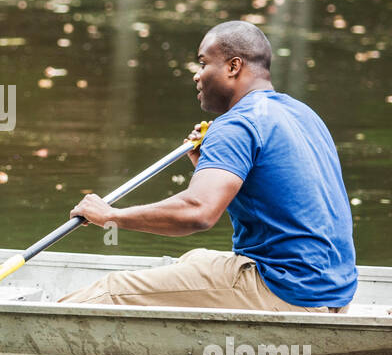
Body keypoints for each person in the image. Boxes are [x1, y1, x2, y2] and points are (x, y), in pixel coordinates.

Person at [58, 20, 356, 313]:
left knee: (111, 290)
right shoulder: (301, 113)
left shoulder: (236, 125)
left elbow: (197, 213)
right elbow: (278, 196)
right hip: (333, 293)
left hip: (285, 292)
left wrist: (112, 216)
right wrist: (208, 164)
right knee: (193, 259)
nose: (197, 76)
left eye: (203, 64)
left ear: (233, 66)